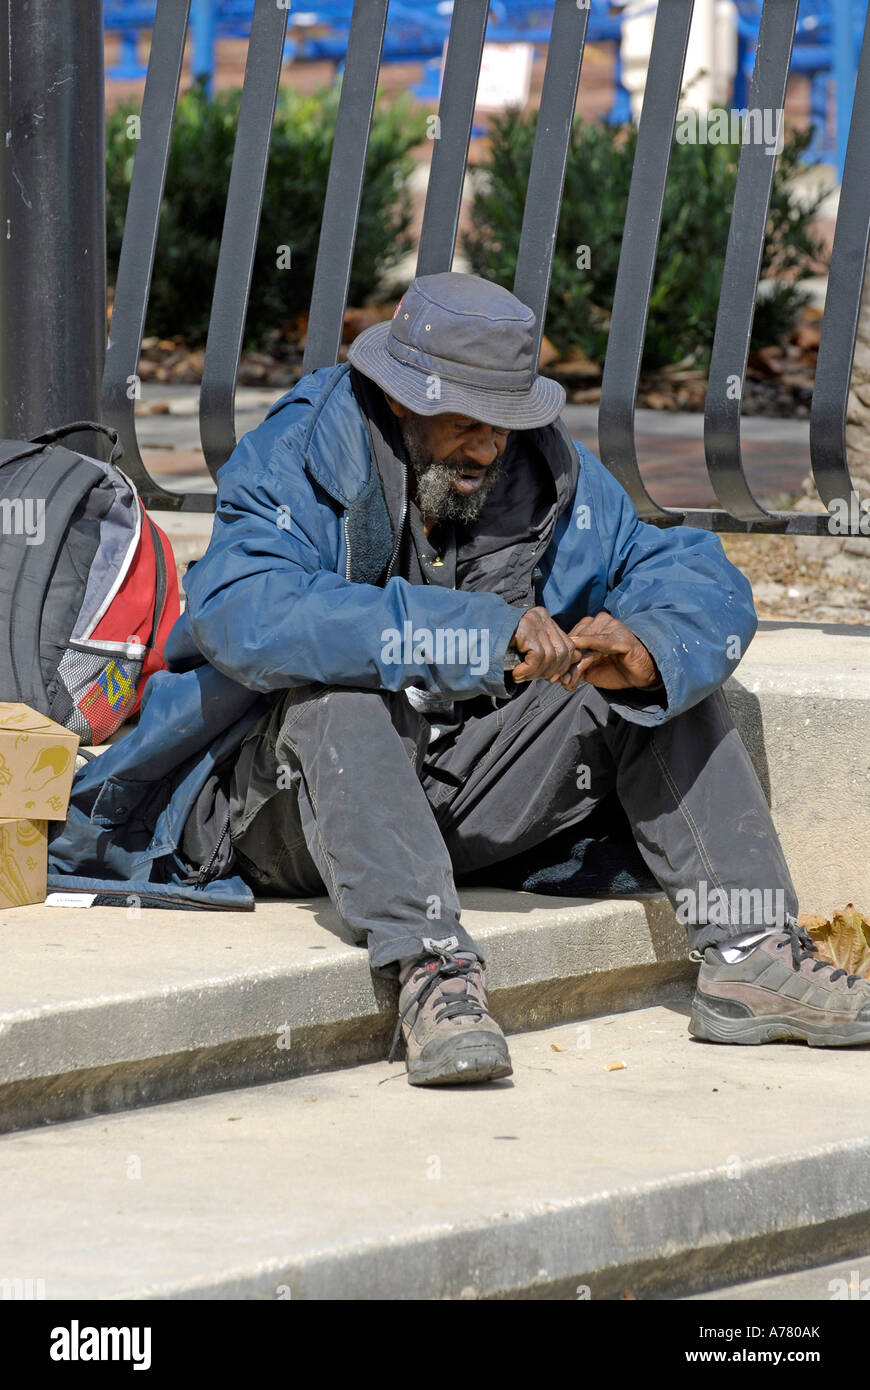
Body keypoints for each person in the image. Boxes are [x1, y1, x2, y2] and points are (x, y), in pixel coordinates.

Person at [47, 272, 870, 1085]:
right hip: (286, 803)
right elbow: (242, 608)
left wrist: (650, 643)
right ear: (402, 398)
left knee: (653, 679)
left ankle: (749, 953)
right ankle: (433, 974)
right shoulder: (302, 449)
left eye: (506, 424)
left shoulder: (544, 472)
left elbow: (686, 569)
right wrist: (472, 632)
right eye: (469, 422)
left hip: (454, 789)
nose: (489, 447)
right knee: (340, 688)